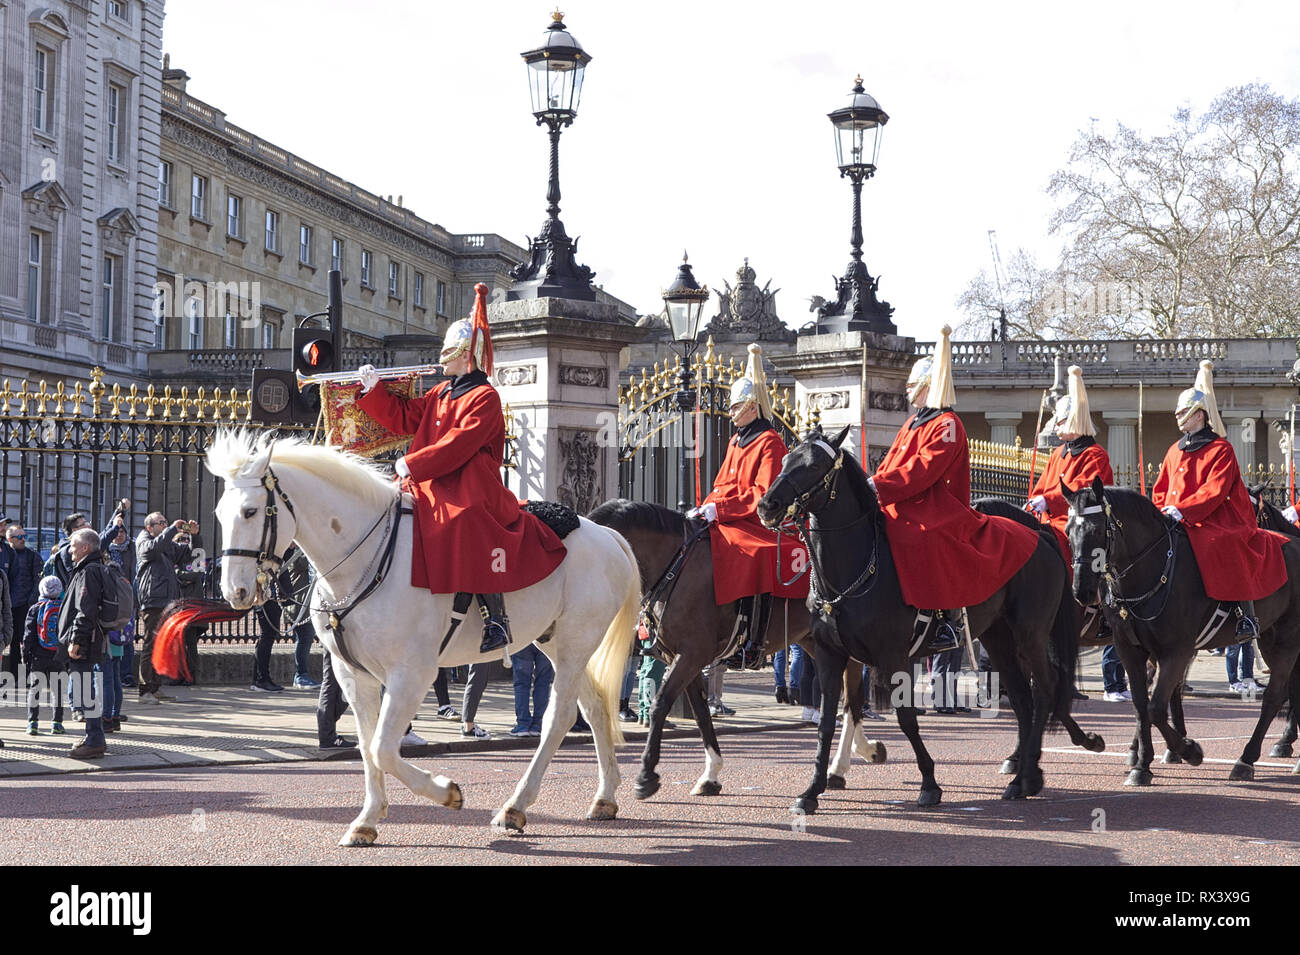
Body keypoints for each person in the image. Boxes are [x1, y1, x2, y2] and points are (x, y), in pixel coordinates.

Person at [355, 282, 566, 654]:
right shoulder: (439, 393)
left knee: (464, 519)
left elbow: (458, 446)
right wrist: (374, 391)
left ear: (466, 355)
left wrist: (412, 463)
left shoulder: (485, 397)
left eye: (448, 353)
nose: (441, 360)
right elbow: (405, 418)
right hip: (431, 481)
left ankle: (494, 617)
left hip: (471, 487)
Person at [868, 325, 1038, 654]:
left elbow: (923, 471)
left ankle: (944, 618)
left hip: (938, 509)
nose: (908, 391)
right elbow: (892, 463)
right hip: (901, 503)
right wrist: (874, 484)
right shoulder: (912, 422)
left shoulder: (947, 424)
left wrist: (882, 485)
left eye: (913, 385)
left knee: (923, 536)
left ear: (929, 387)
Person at [689, 344, 810, 671]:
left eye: (737, 406)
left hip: (757, 522)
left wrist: (722, 510)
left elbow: (762, 493)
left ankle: (753, 639)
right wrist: (708, 506)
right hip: (729, 517)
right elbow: (722, 485)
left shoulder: (770, 441)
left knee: (752, 553)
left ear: (753, 406)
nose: (731, 412)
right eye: (731, 406)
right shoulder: (735, 441)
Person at [1152, 360, 1288, 641]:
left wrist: (1183, 510)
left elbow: (1214, 491)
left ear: (1199, 415)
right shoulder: (1173, 451)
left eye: (1184, 413)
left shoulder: (1220, 449)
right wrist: (1159, 512)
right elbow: (1160, 488)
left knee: (1222, 542)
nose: (1179, 417)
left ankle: (1244, 615)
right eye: (1178, 412)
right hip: (1177, 517)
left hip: (1220, 518)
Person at [1026, 366, 1115, 702]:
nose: (1057, 427)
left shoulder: (1095, 455)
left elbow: (1083, 493)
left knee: (1077, 556)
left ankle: (1099, 608)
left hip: (1076, 525)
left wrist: (1047, 500)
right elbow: (1043, 486)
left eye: (1061, 422)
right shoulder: (1058, 454)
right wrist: (1035, 502)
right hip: (1051, 522)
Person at [57, 528, 112, 759]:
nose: (70, 550)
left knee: (84, 690)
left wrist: (76, 641)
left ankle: (95, 739)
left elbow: (85, 610)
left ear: (85, 548)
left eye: (73, 546)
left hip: (85, 641)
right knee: (85, 689)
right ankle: (94, 736)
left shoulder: (88, 571)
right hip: (91, 638)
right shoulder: (93, 568)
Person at [134, 512, 194, 703]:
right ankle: (145, 690)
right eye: (161, 523)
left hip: (168, 600)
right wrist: (171, 530)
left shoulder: (165, 542)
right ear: (149, 527)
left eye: (165, 522)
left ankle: (155, 686)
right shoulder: (144, 539)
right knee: (150, 644)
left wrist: (193, 536)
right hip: (153, 599)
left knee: (163, 645)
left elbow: (186, 555)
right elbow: (152, 549)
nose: (165, 525)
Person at [23, 576, 66, 735]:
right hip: (57, 655)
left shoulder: (35, 608)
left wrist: (26, 655)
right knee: (57, 690)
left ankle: (32, 723)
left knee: (35, 689)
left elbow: (28, 635)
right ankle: (57, 723)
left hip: (38, 655)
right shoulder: (63, 608)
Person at [4, 524, 41, 680]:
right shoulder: (5, 555)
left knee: (24, 640)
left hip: (24, 605)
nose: (23, 539)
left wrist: (30, 601)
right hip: (7, 604)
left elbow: (37, 580)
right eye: (19, 537)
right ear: (9, 539)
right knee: (9, 641)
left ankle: (25, 674)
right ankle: (12, 673)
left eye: (24, 536)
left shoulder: (32, 555)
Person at [509, 643, 552, 737]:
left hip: (523, 640)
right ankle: (538, 724)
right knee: (543, 683)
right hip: (545, 640)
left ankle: (522, 724)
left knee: (521, 684)